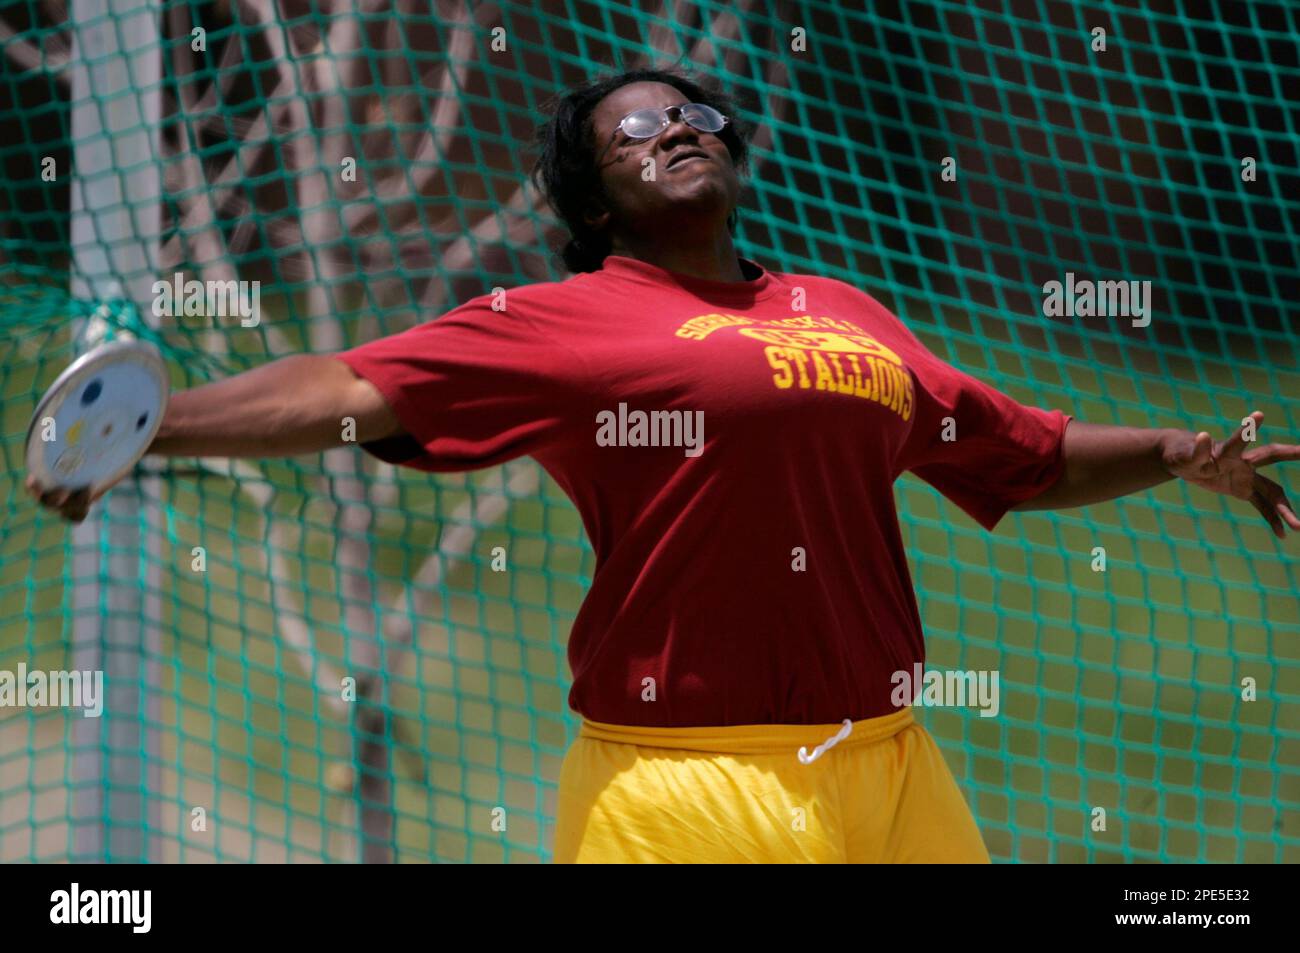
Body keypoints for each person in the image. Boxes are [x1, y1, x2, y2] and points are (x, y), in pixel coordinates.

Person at [27, 66, 1300, 863]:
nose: (673, 131)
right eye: (635, 133)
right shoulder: (563, 322)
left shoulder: (842, 311)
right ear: (594, 200)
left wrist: (1187, 451)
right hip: (688, 787)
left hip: (893, 765)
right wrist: (153, 423)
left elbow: (1015, 449)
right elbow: (352, 387)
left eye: (688, 116)